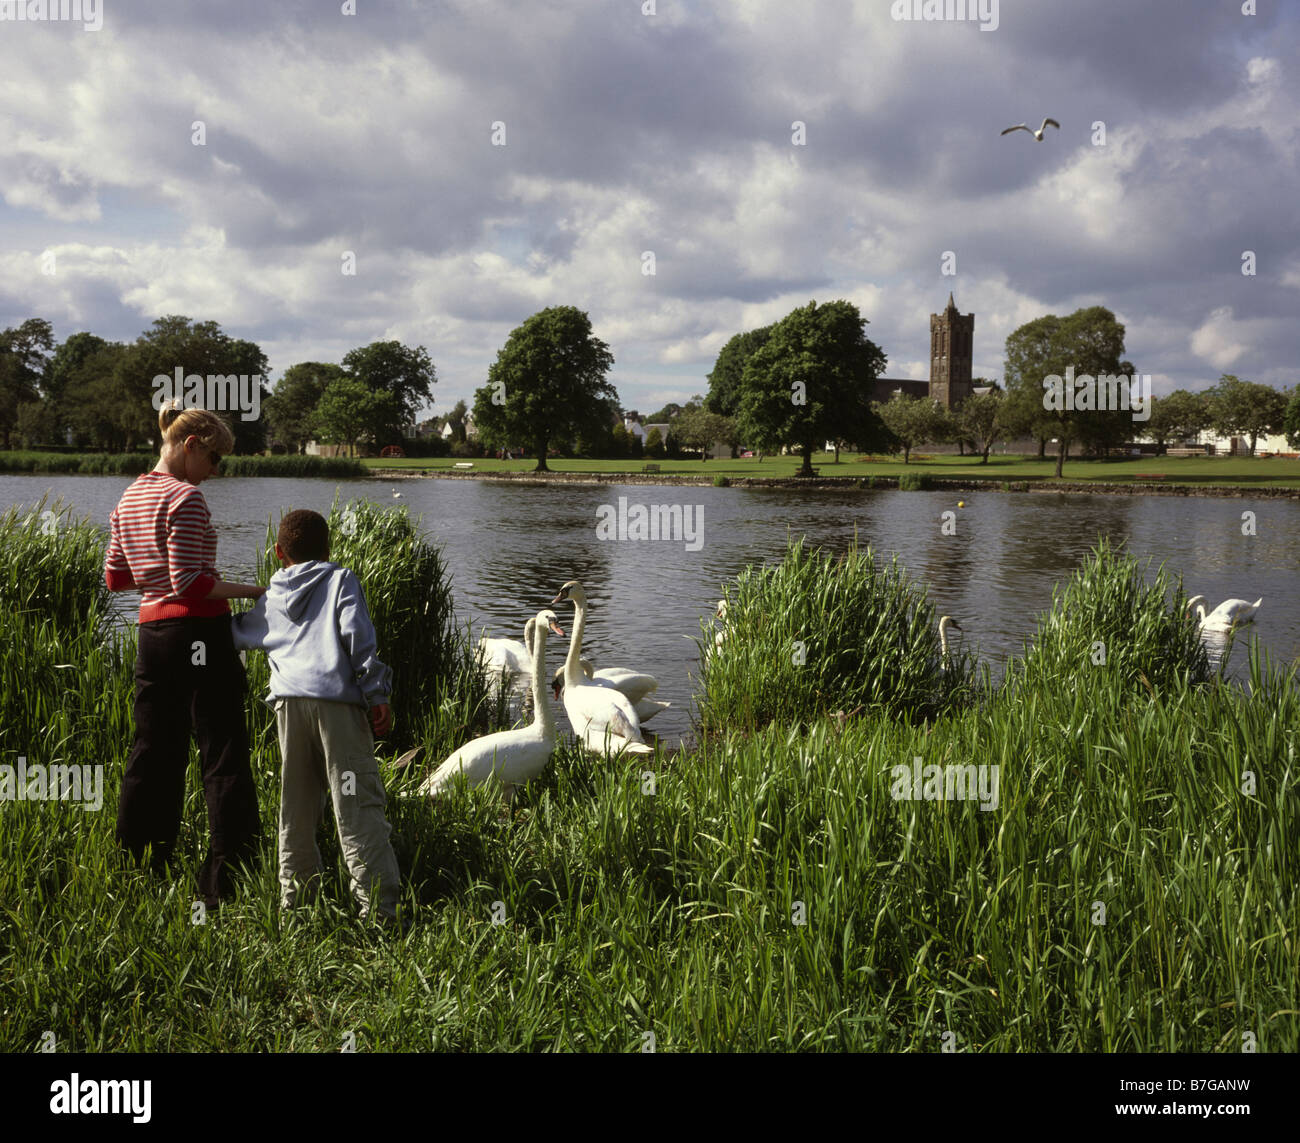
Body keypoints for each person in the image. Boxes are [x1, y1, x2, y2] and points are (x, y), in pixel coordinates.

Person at [105, 401, 264, 908]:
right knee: (222, 751)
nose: (216, 472)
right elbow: (192, 584)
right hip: (197, 633)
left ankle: (140, 864)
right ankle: (226, 880)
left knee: (153, 750)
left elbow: (116, 579)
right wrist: (255, 592)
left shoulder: (129, 495)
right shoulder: (186, 498)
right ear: (191, 445)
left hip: (152, 636)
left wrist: (152, 576)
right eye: (215, 459)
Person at [230, 509, 401, 924]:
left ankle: (297, 908)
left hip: (289, 706)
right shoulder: (341, 579)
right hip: (337, 707)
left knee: (297, 806)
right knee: (356, 801)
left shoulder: (270, 596)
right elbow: (358, 638)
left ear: (278, 552)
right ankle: (379, 911)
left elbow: (238, 634)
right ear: (329, 549)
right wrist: (377, 693)